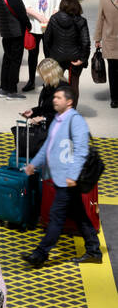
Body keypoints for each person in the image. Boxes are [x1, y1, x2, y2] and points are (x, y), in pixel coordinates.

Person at [22, 87, 102, 266]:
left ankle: (40, 254)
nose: (55, 100)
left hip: (68, 180)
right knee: (79, 215)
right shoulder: (57, 120)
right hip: (60, 178)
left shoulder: (76, 121)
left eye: (59, 98)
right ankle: (94, 251)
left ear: (69, 102)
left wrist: (72, 176)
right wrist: (34, 164)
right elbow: (48, 147)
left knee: (56, 217)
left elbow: (81, 150)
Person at [20, 0, 61, 91]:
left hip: (49, 27)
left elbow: (58, 6)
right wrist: (40, 17)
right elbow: (25, 5)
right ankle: (31, 81)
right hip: (33, 26)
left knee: (49, 56)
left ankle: (49, 82)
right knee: (33, 55)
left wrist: (51, 19)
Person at [43, 0, 90, 93]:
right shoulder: (81, 21)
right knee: (74, 86)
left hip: (56, 57)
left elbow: (46, 39)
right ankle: (71, 107)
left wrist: (49, 58)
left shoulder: (54, 19)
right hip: (75, 58)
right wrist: (83, 59)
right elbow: (85, 42)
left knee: (55, 85)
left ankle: (56, 106)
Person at [94, 0, 118, 108]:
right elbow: (100, 19)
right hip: (110, 40)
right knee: (113, 71)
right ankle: (114, 97)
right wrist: (97, 38)